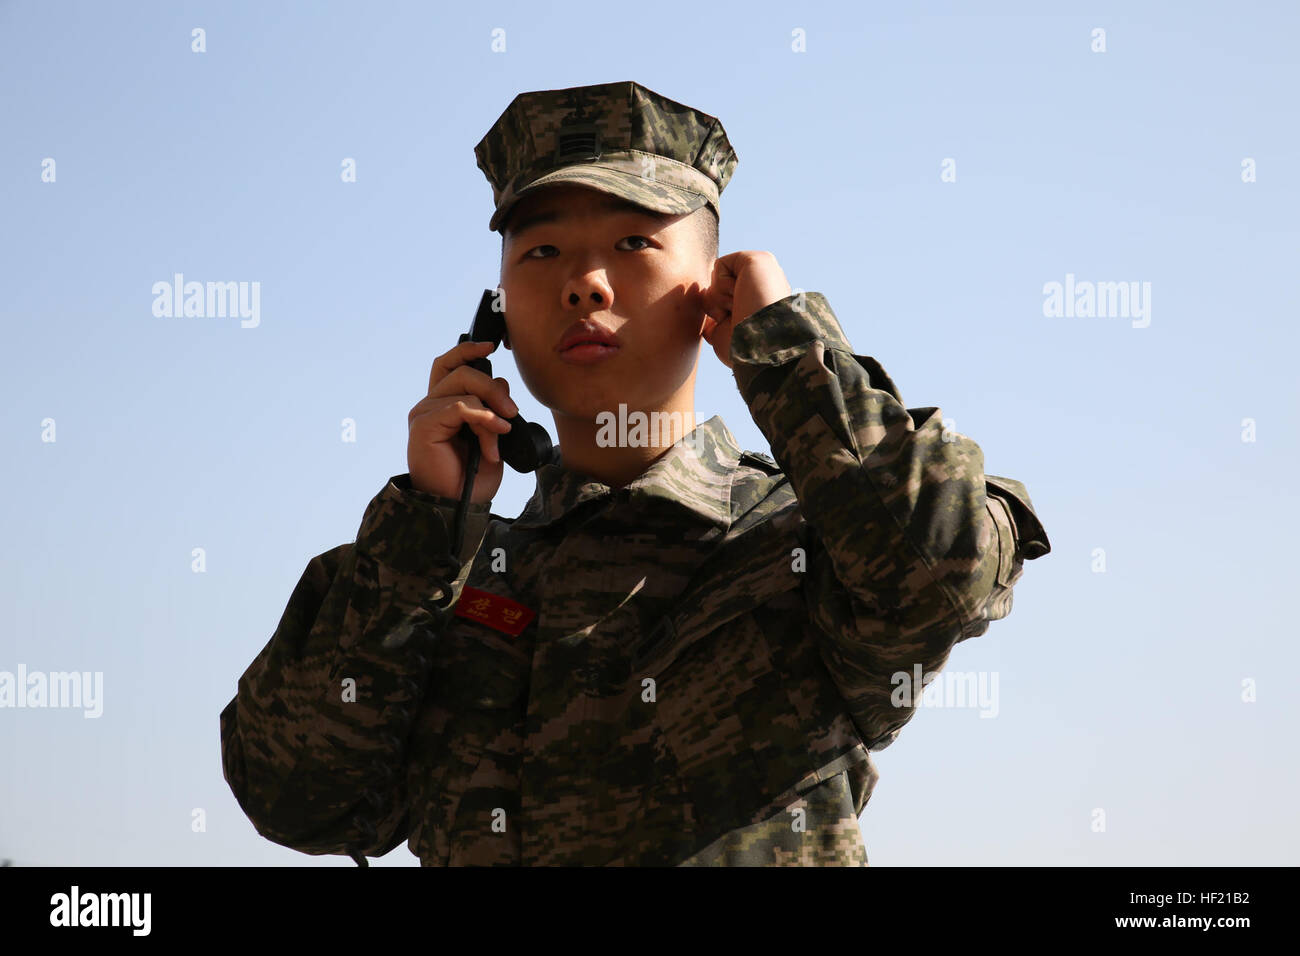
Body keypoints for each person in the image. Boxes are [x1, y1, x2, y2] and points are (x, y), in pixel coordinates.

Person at [220, 80, 1051, 866]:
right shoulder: (433, 577)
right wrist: (423, 535)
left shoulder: (805, 535)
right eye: (541, 251)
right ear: (497, 314)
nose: (584, 285)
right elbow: (294, 797)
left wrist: (793, 358)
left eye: (634, 243)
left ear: (714, 290)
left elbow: (944, 570)